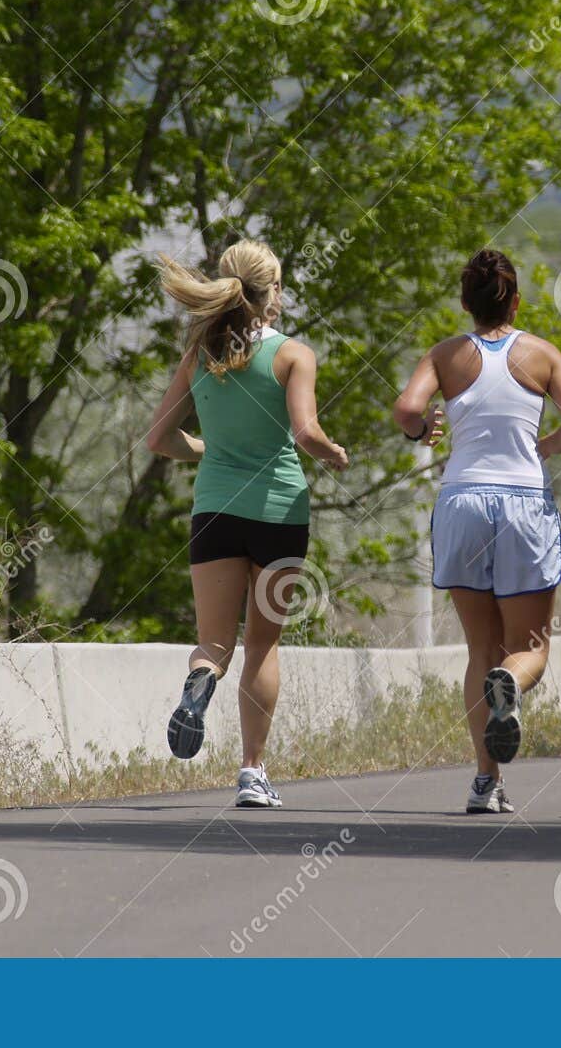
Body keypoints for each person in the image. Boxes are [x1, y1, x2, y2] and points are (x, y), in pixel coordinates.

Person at [145, 239, 348, 808]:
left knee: (213, 641)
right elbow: (305, 433)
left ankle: (200, 680)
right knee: (261, 645)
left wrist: (211, 449)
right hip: (279, 513)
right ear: (271, 292)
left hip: (214, 511)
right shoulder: (293, 355)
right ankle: (253, 774)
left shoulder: (199, 356)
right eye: (280, 285)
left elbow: (158, 438)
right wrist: (332, 452)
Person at [393, 249, 561, 814]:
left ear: (466, 303)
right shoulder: (542, 354)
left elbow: (408, 408)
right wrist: (545, 447)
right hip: (524, 503)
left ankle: (486, 782)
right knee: (527, 649)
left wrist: (423, 427)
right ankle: (510, 681)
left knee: (479, 647)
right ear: (516, 300)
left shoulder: (445, 355)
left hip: (462, 502)